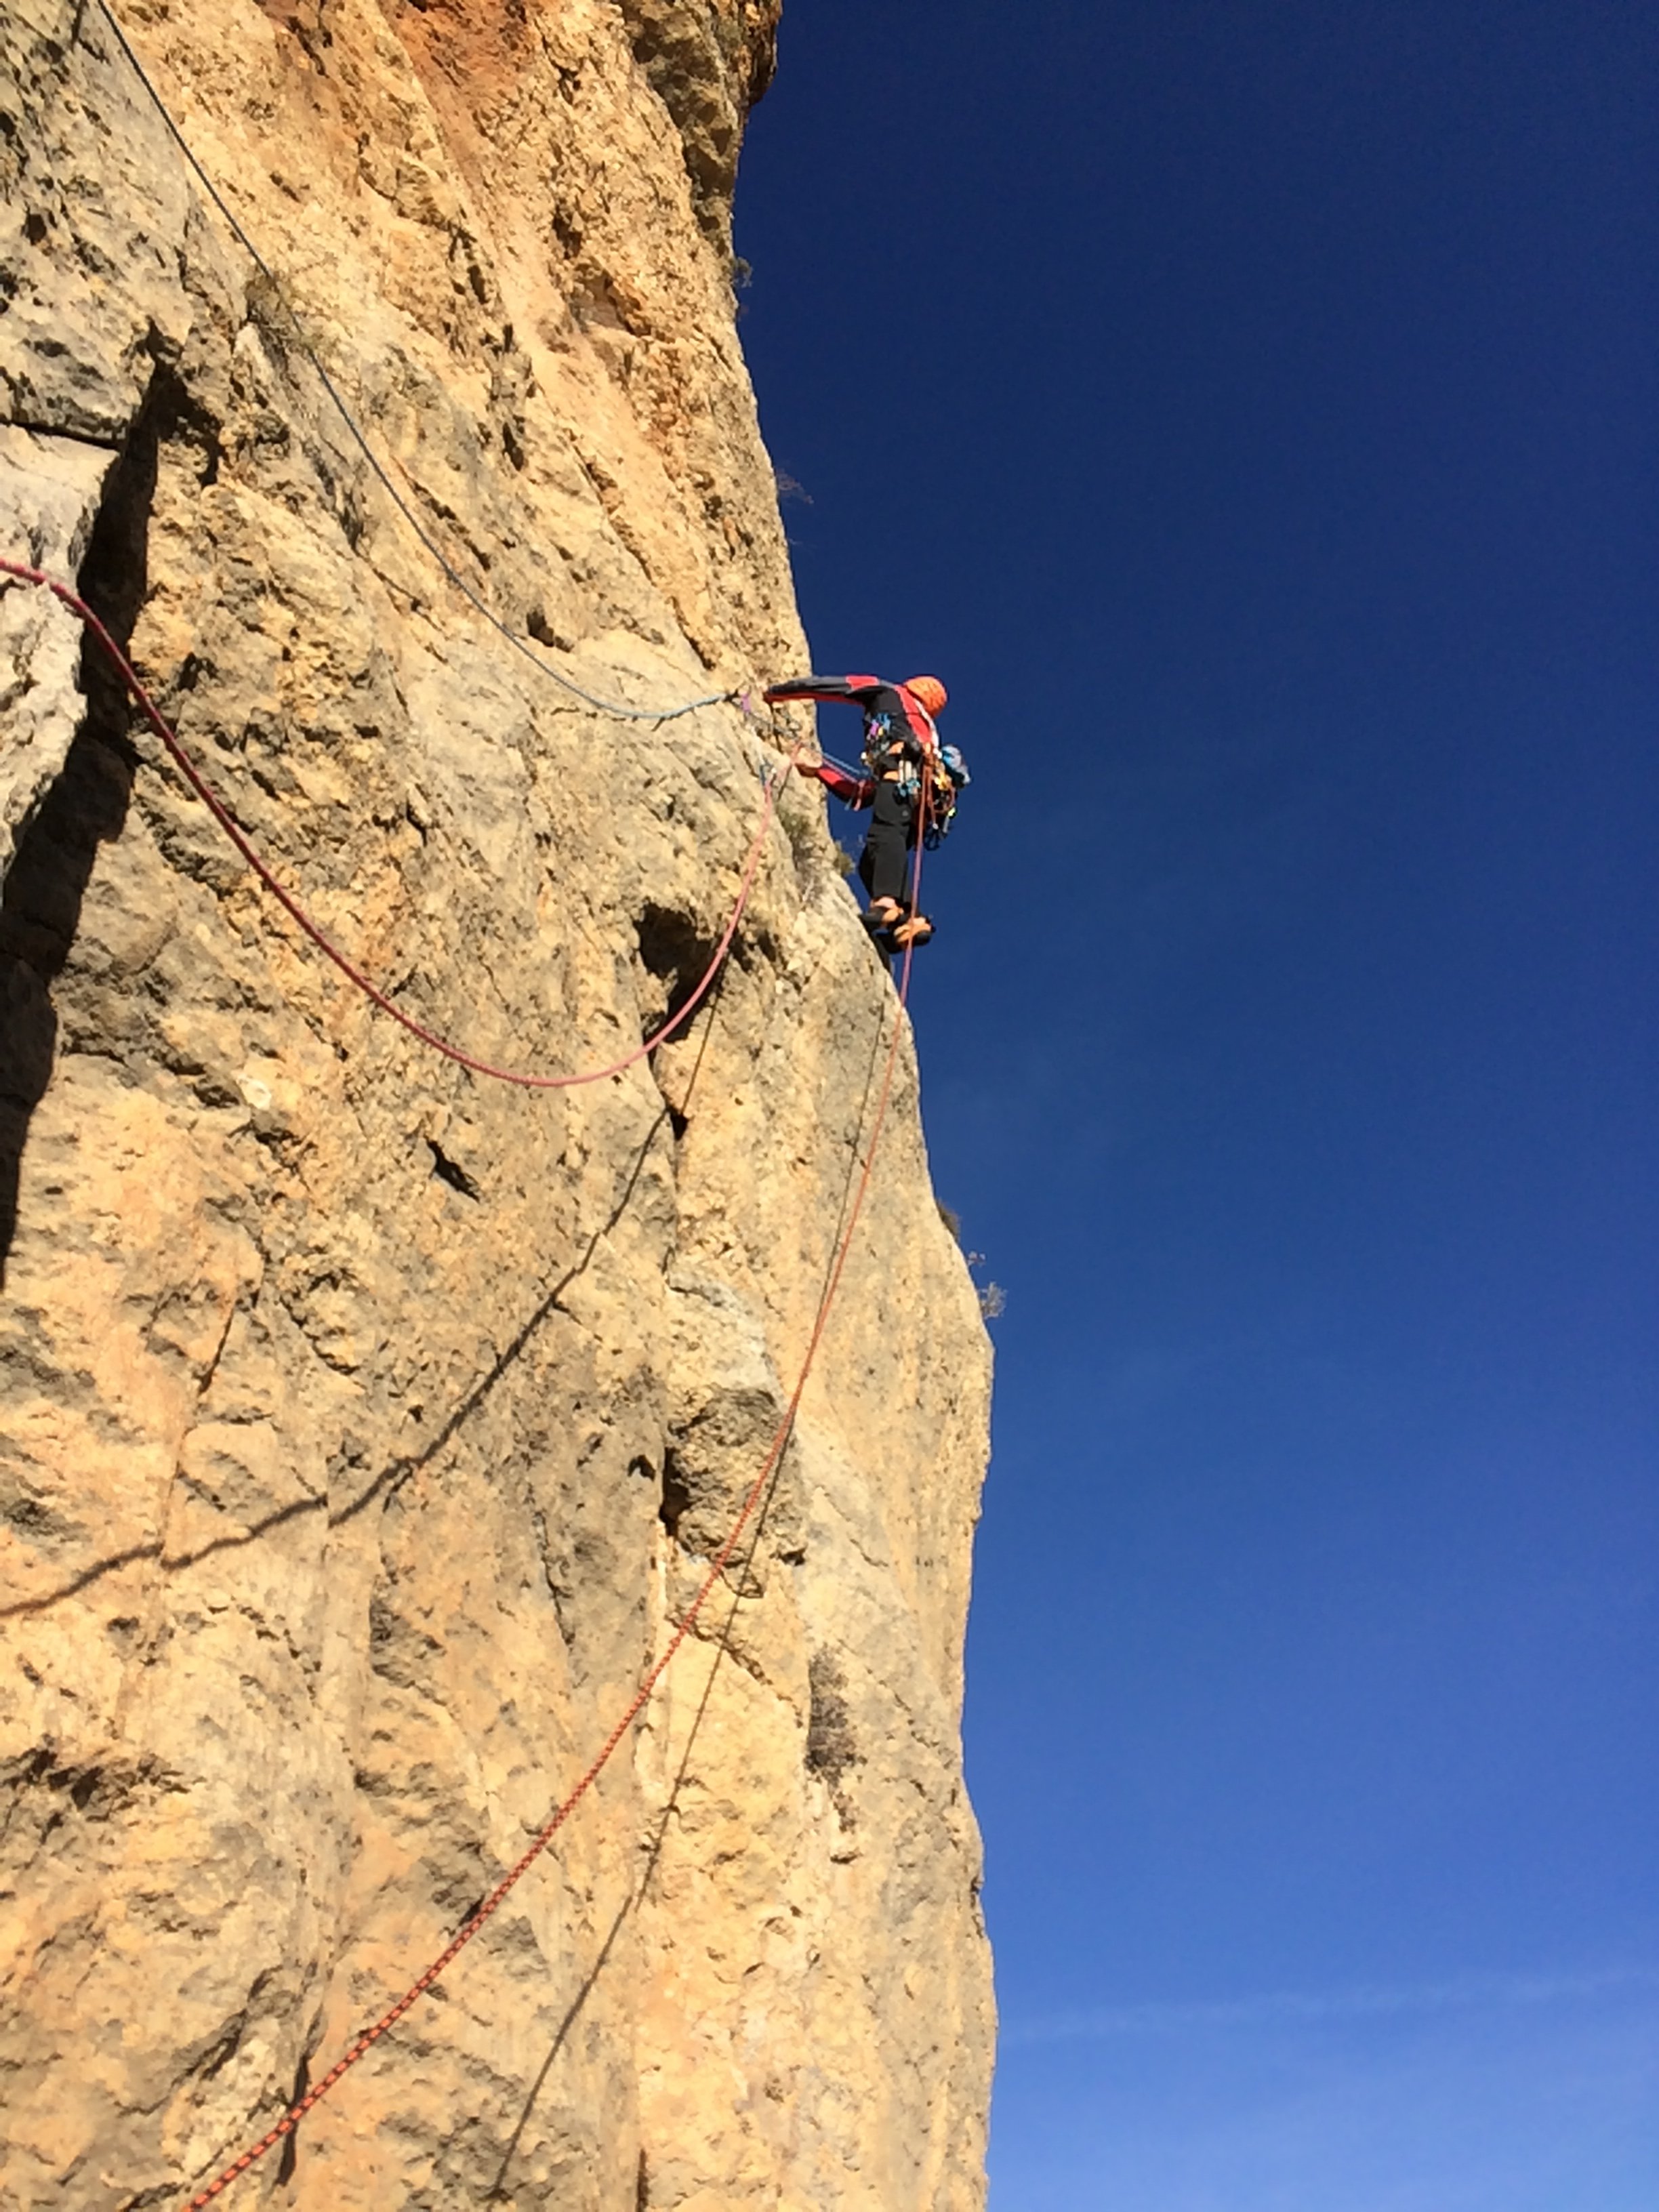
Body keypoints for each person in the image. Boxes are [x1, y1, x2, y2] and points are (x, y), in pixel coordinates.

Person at [762, 673, 966, 951]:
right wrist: (820, 770)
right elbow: (862, 794)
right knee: (872, 861)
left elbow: (831, 687)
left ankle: (885, 904)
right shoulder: (922, 729)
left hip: (900, 782)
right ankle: (910, 920)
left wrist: (777, 691)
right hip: (919, 801)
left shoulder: (886, 692)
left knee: (884, 835)